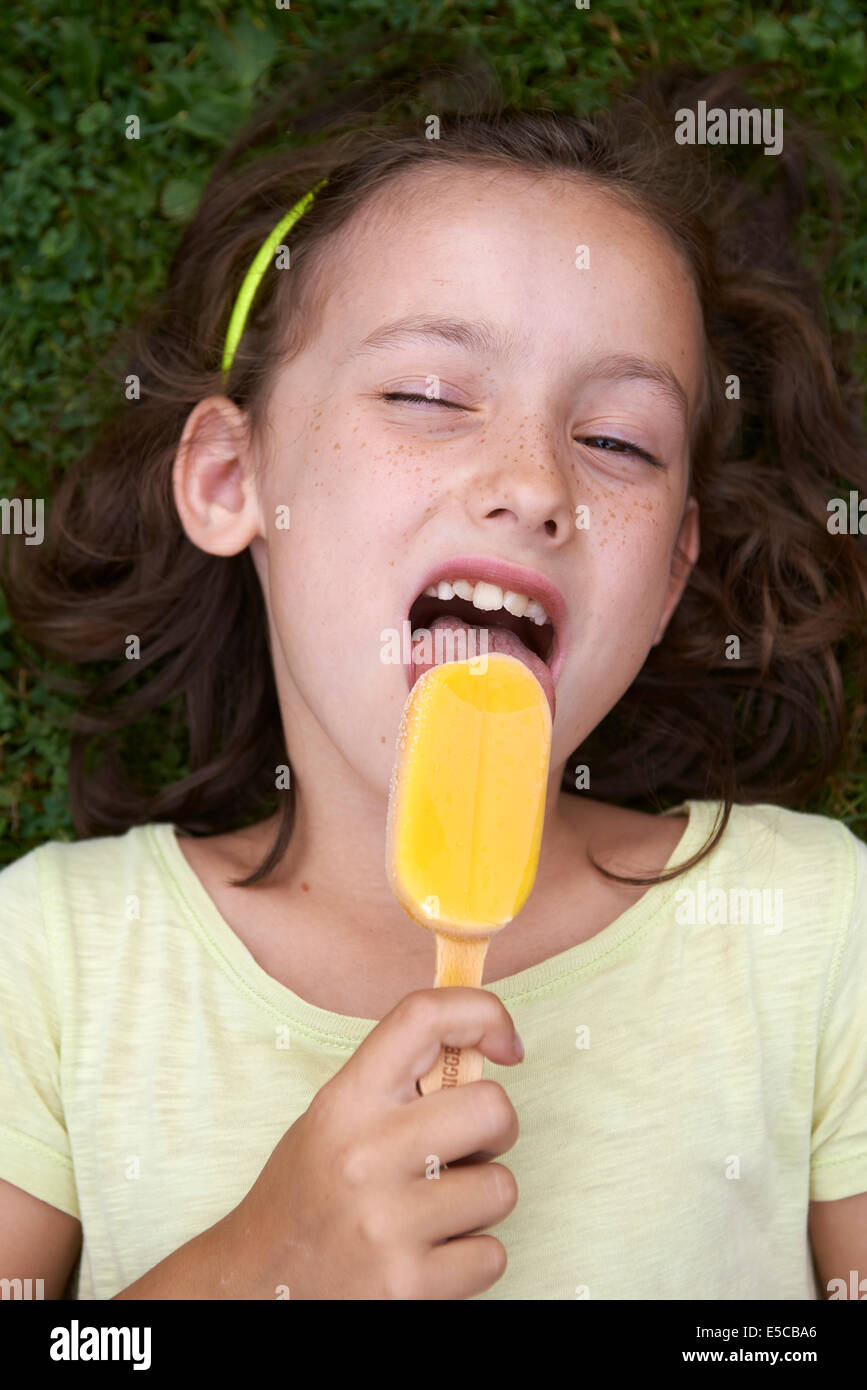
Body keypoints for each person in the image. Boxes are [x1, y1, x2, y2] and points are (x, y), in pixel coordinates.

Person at [1, 56, 866, 1300]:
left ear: (674, 574)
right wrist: (257, 1270)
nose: (534, 481)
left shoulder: (814, 930)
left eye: (618, 439)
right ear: (231, 479)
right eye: (424, 392)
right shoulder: (54, 960)